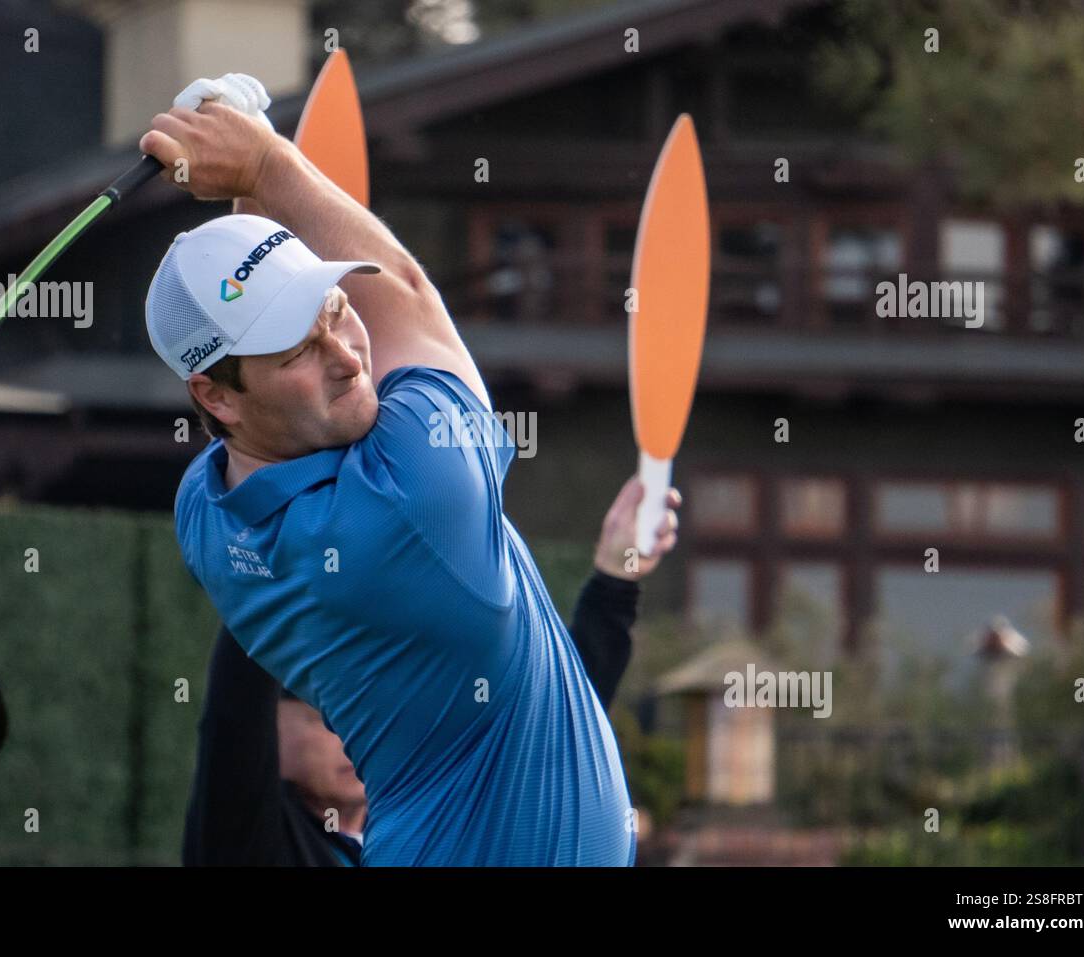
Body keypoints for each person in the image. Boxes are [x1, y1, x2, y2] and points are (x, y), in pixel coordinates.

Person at [141, 101, 679, 865]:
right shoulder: (417, 491)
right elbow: (407, 289)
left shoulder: (206, 515)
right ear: (214, 396)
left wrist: (245, 192)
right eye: (298, 350)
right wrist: (262, 162)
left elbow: (262, 389)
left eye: (336, 309)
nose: (346, 355)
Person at [183, 477, 680, 866]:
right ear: (272, 729)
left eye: (359, 714)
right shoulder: (248, 835)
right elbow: (235, 714)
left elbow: (552, 729)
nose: (348, 735)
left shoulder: (431, 820)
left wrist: (616, 578)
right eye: (322, 718)